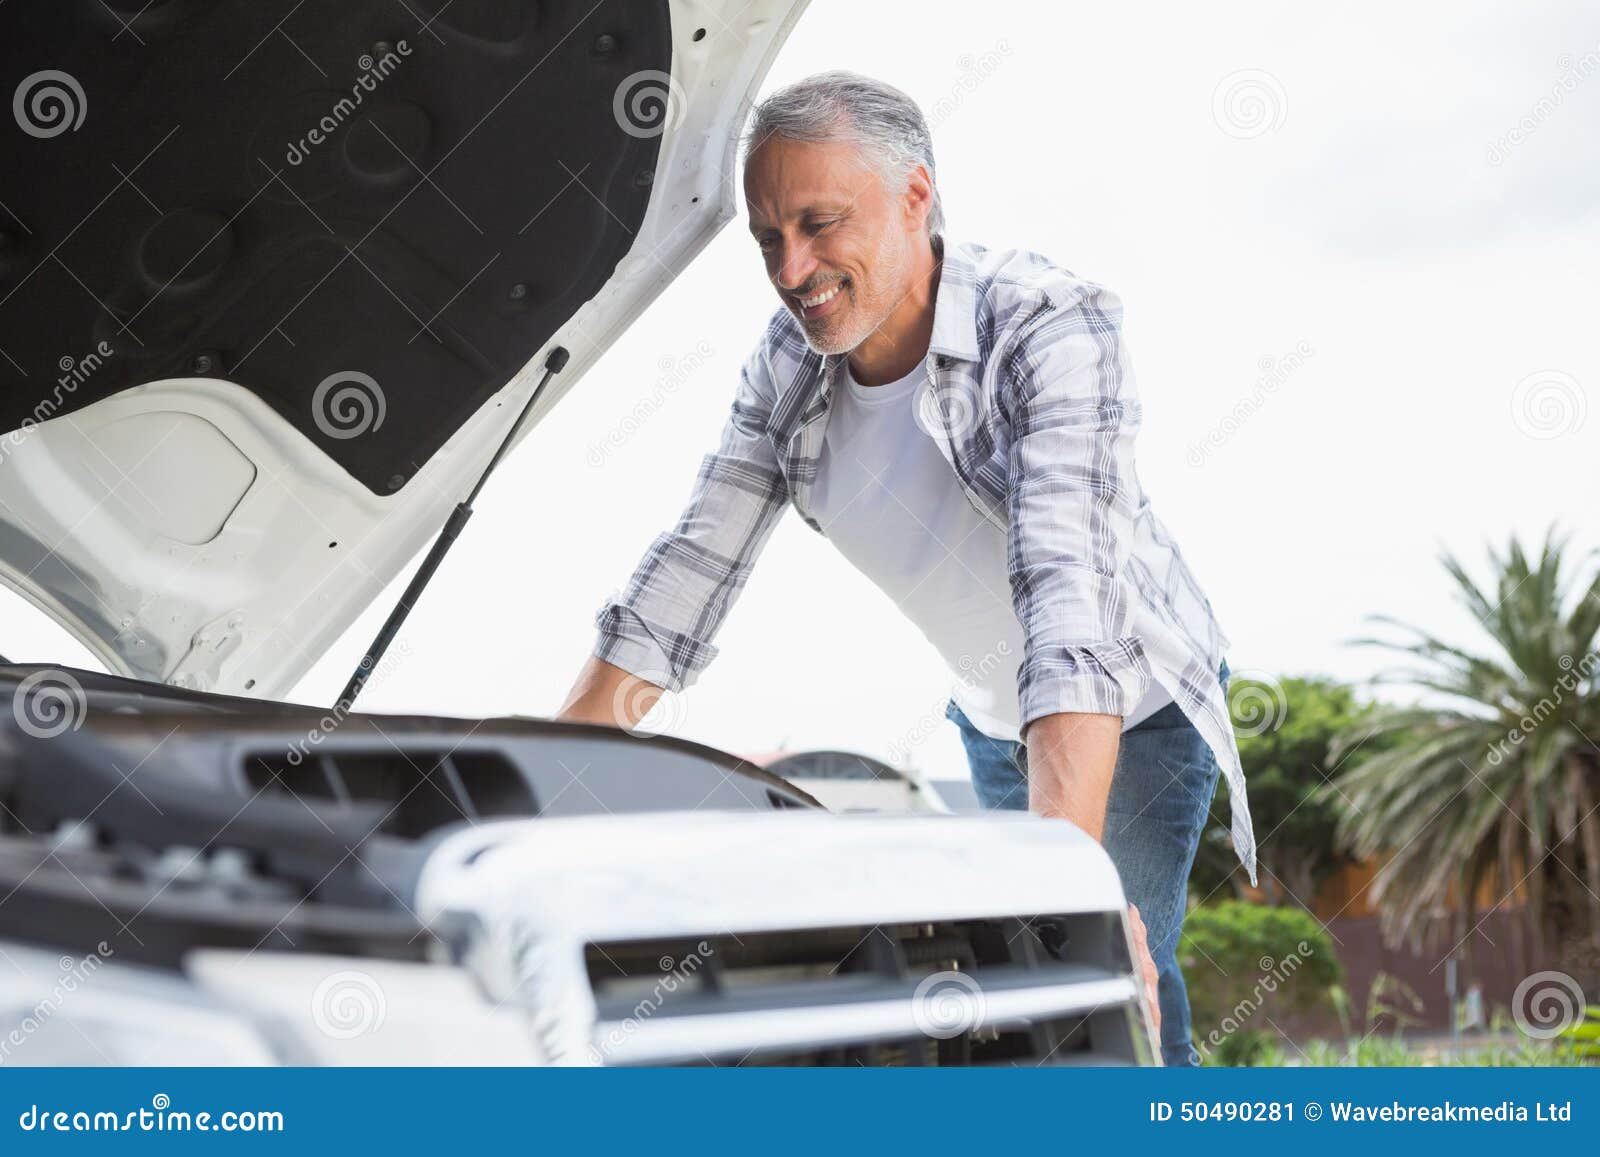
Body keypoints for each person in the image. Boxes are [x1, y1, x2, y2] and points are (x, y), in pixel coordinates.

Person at [559, 70, 1255, 1066]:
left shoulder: (1048, 324)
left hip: (1131, 707)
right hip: (991, 716)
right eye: (767, 236)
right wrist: (547, 785)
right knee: (1019, 983)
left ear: (915, 197)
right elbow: (692, 563)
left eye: (819, 222)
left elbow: (1072, 606)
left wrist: (1060, 893)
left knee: (1096, 964)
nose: (792, 268)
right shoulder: (786, 365)